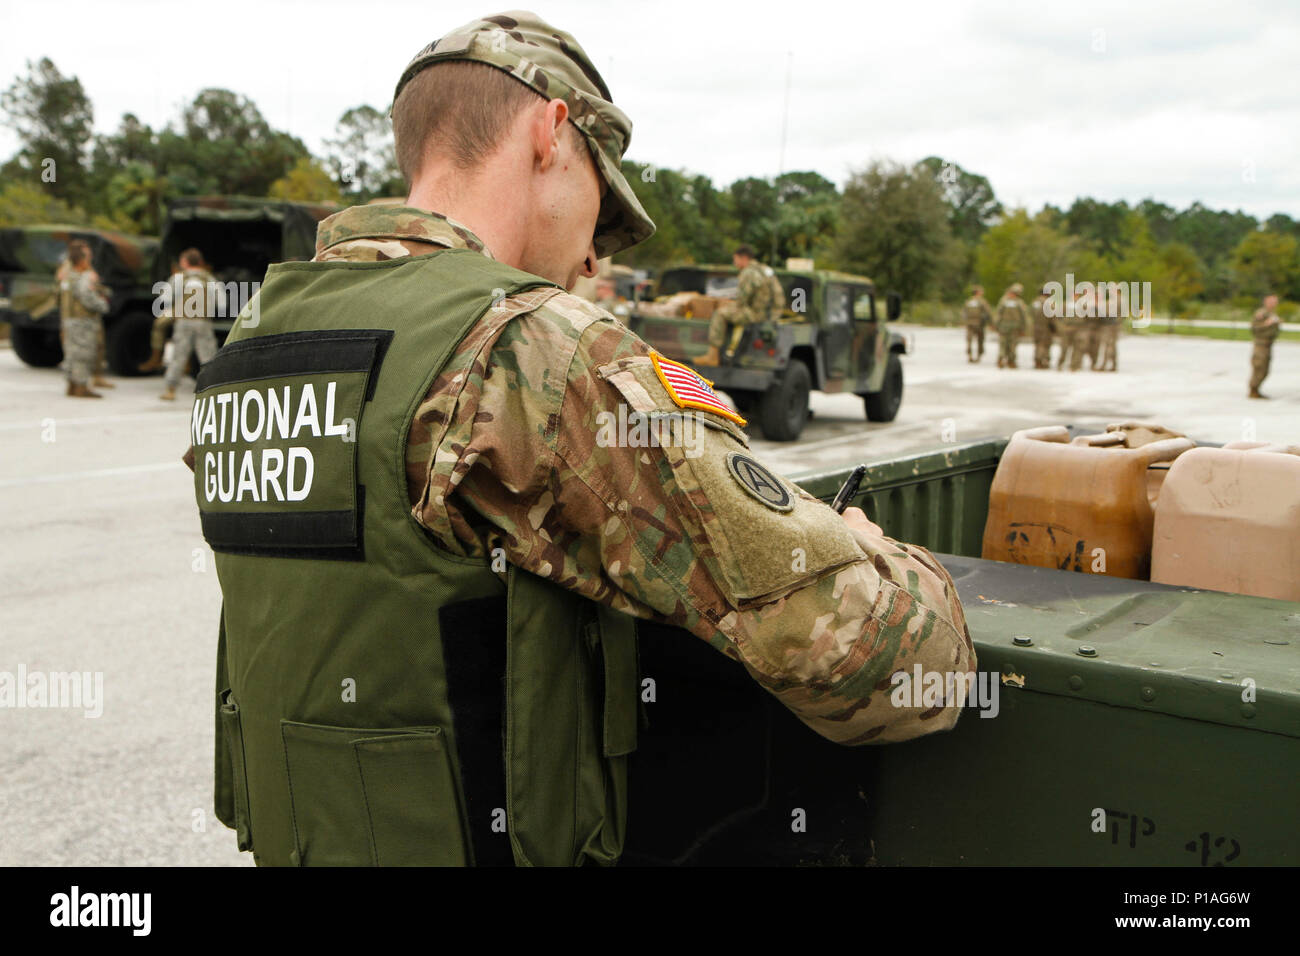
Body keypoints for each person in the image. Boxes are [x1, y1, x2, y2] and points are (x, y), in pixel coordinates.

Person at [192, 12, 975, 868]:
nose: (596, 261)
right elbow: (874, 665)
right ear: (550, 132)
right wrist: (882, 556)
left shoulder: (258, 339)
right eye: (602, 210)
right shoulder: (532, 348)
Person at [696, 244, 779, 365]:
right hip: (764, 314)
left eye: (735, 259)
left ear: (743, 258)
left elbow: (742, 299)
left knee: (720, 313)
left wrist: (729, 306)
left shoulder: (748, 272)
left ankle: (713, 355)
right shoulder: (763, 270)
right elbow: (777, 294)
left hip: (753, 314)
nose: (734, 263)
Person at [160, 248, 220, 401]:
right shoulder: (209, 278)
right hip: (203, 322)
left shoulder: (178, 278)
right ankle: (213, 389)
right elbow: (222, 302)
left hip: (183, 321)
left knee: (178, 356)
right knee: (208, 357)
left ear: (185, 262)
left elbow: (165, 298)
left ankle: (170, 389)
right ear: (200, 262)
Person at [58, 240, 110, 398]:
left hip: (69, 320)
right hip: (83, 321)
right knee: (83, 354)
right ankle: (81, 387)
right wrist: (103, 305)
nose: (90, 258)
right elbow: (87, 296)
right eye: (87, 256)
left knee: (71, 354)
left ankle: (72, 385)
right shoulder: (85, 276)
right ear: (81, 259)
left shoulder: (68, 275)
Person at [1249, 293, 1281, 398]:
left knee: (1265, 369)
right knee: (1259, 367)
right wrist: (1267, 324)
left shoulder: (1272, 313)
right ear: (1266, 301)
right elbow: (1254, 329)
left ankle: (1256, 390)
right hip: (1261, 345)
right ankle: (1253, 391)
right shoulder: (1261, 313)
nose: (1274, 303)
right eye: (1272, 301)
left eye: (1275, 301)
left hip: (1268, 344)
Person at [994, 282, 1028, 369]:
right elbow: (1024, 317)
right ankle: (1011, 361)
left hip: (1004, 326)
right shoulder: (1019, 302)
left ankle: (1001, 359)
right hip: (1014, 327)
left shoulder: (1003, 301)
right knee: (1012, 344)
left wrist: (996, 325)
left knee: (1003, 344)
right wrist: (1024, 329)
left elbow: (998, 314)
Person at [962, 284, 992, 363]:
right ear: (978, 292)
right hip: (979, 323)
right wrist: (990, 323)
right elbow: (988, 312)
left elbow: (964, 313)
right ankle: (978, 356)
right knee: (980, 340)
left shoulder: (968, 301)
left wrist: (965, 322)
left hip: (969, 324)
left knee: (969, 340)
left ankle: (970, 355)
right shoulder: (982, 301)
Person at [1031, 286, 1054, 369]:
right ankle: (1043, 360)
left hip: (1035, 326)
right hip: (1046, 327)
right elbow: (1052, 316)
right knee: (1045, 344)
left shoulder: (1035, 302)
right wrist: (1054, 327)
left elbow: (1030, 313)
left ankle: (1037, 360)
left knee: (1037, 343)